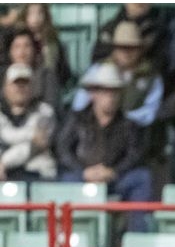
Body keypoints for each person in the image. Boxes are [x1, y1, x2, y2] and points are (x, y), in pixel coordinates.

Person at [56, 62, 153, 234]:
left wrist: (114, 171)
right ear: (93, 94)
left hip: (115, 178)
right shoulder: (77, 119)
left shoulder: (128, 124)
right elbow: (63, 149)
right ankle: (69, 234)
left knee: (141, 178)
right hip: (82, 177)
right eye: (105, 91)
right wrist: (83, 171)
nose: (110, 97)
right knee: (63, 181)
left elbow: (134, 154)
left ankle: (136, 238)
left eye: (114, 92)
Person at [71, 21, 163, 129]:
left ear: (140, 49)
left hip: (136, 132)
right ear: (114, 48)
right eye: (121, 47)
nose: (126, 53)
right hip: (95, 130)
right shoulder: (98, 70)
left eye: (132, 48)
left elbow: (150, 113)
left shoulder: (151, 77)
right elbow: (79, 105)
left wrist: (121, 120)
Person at [0, 63, 56, 181]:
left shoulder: (45, 112)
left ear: (33, 87)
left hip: (38, 175)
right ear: (5, 88)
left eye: (25, 83)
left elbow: (35, 145)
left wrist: (4, 162)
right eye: (16, 83)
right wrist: (31, 135)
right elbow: (6, 135)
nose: (20, 88)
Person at [91, 3, 169, 75]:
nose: (127, 52)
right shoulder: (109, 30)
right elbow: (98, 62)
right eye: (121, 47)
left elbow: (162, 65)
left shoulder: (160, 32)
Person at [3, 27, 60, 111]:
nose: (22, 52)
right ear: (10, 51)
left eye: (27, 46)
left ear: (34, 49)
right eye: (17, 46)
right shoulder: (3, 75)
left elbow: (52, 106)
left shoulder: (45, 75)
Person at [17, 3, 71, 89]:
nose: (36, 17)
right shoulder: (17, 38)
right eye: (31, 13)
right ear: (25, 15)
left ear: (46, 15)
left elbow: (63, 71)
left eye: (40, 13)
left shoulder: (53, 42)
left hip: (48, 86)